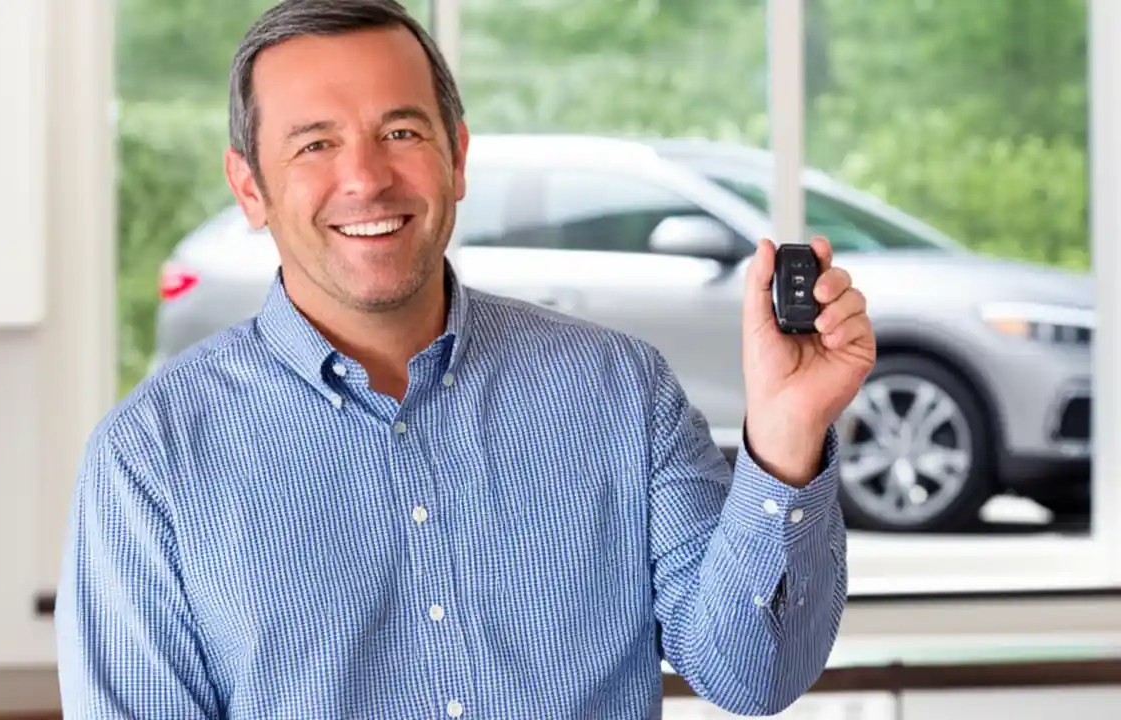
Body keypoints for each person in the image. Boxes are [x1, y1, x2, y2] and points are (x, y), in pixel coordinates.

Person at [54, 0, 876, 717]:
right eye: (315, 145)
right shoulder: (149, 461)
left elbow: (751, 672)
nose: (366, 178)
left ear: (457, 156)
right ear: (249, 187)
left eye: (400, 131)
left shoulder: (620, 393)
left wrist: (786, 436)